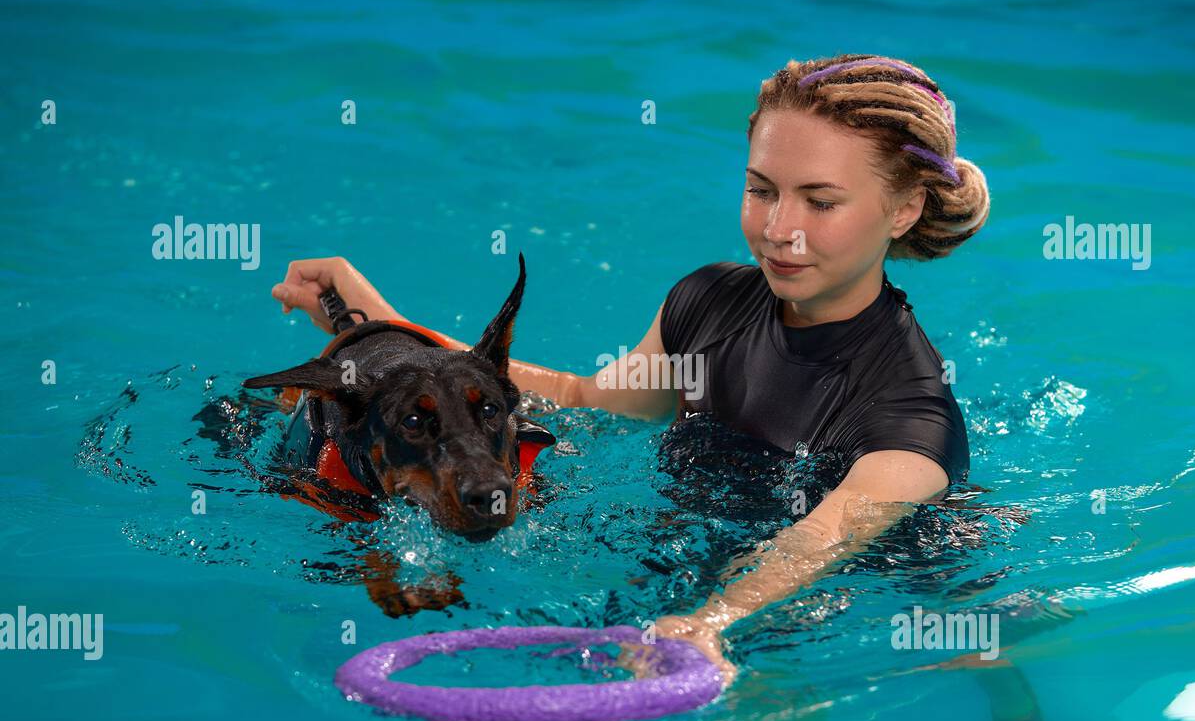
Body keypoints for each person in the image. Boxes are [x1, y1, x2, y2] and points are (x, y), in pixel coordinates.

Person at [270, 53, 990, 687]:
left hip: (860, 599)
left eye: (820, 200)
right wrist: (371, 321)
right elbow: (586, 398)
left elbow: (820, 541)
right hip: (695, 575)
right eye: (762, 188)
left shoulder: (909, 413)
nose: (778, 229)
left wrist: (713, 620)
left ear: (904, 209)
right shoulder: (708, 302)